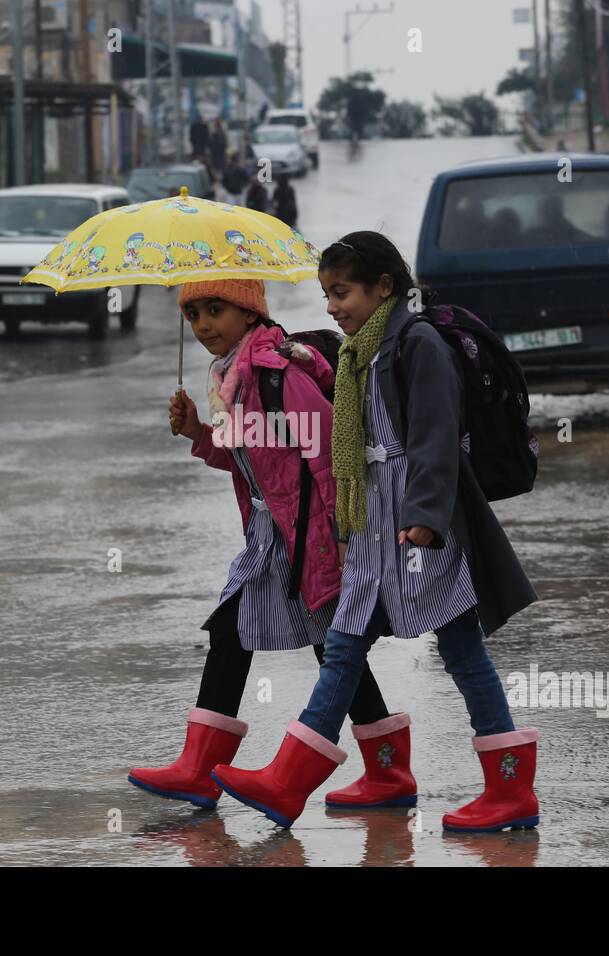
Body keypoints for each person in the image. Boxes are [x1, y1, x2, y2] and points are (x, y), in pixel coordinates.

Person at [210, 232, 539, 832]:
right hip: (373, 526)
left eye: (342, 293)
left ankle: (507, 791)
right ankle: (307, 781)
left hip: (418, 529)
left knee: (455, 648)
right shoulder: (364, 351)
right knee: (350, 645)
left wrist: (425, 520)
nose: (331, 307)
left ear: (384, 287)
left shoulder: (418, 346)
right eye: (326, 295)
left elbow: (436, 439)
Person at [129, 278, 414, 811]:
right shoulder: (232, 376)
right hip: (272, 533)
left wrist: (342, 535)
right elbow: (253, 455)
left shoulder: (275, 373)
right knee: (309, 642)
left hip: (308, 533)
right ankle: (387, 772)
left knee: (289, 638)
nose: (205, 325)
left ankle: (201, 769)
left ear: (249, 311)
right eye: (193, 315)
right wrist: (199, 431)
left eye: (216, 310)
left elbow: (330, 454)